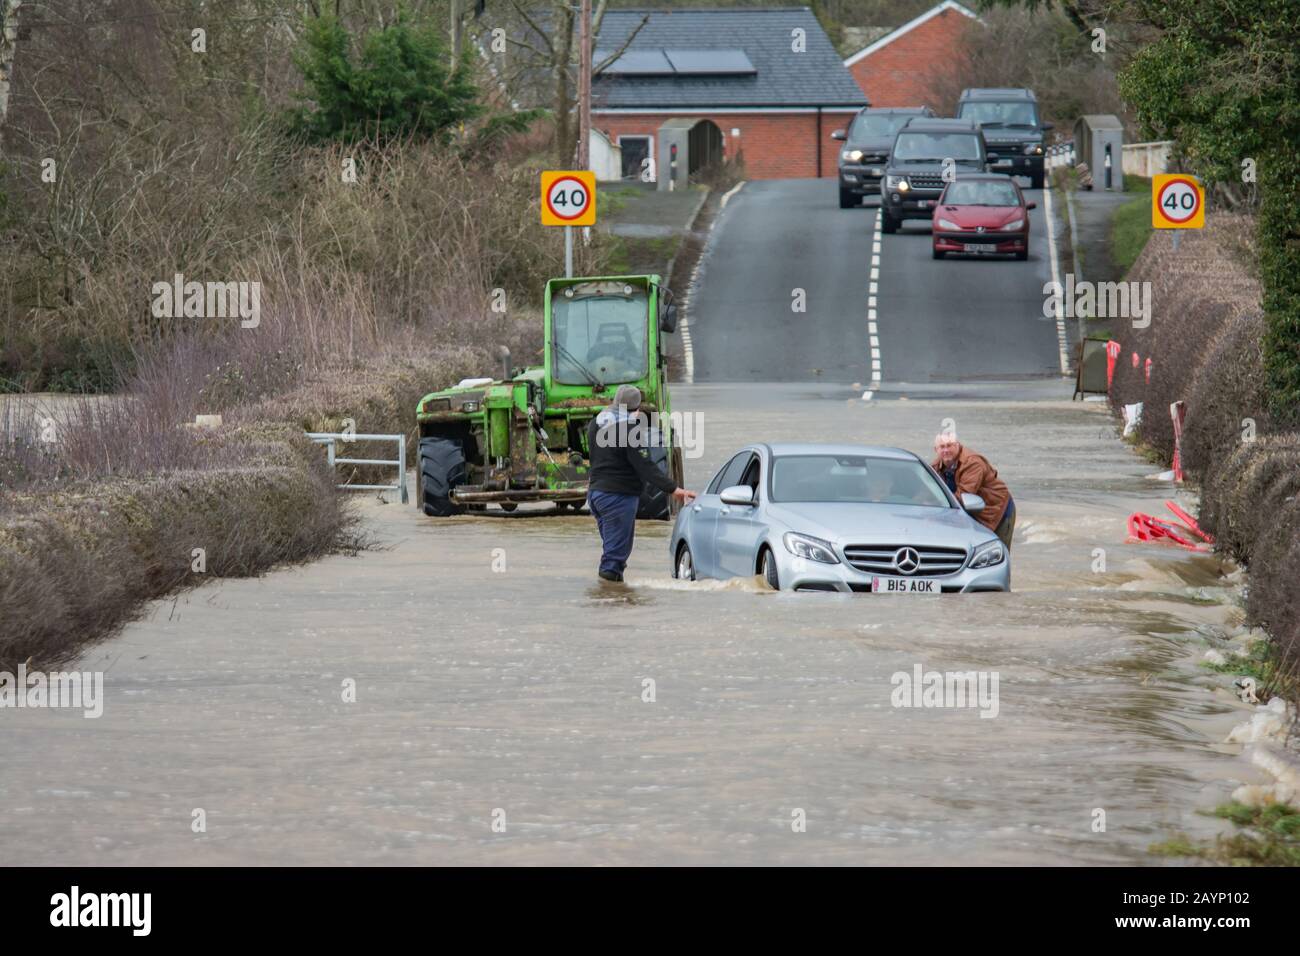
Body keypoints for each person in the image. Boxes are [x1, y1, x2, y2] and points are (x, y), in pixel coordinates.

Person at [586, 385, 697, 582]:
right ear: (637, 409)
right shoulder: (630, 429)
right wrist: (674, 489)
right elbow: (645, 466)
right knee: (614, 558)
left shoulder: (596, 423)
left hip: (596, 495)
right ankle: (610, 601)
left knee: (611, 550)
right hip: (618, 498)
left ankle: (610, 598)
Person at [931, 432, 1015, 549]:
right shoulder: (936, 466)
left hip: (996, 510)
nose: (946, 450)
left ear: (957, 445)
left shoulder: (973, 463)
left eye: (949, 445)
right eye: (942, 447)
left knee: (997, 553)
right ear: (936, 449)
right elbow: (926, 492)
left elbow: (962, 497)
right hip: (970, 514)